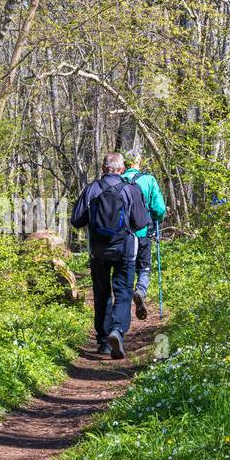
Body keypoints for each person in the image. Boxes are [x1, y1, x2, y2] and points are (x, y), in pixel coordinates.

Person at [71, 151, 150, 359]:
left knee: (102, 293)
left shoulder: (92, 189)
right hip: (125, 250)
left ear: (103, 169)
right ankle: (117, 330)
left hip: (98, 251)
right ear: (122, 169)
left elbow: (76, 220)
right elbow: (141, 222)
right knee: (123, 292)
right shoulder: (130, 190)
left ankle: (104, 341)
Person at [122, 153, 166, 319]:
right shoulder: (149, 180)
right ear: (139, 162)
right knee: (144, 265)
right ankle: (140, 290)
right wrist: (156, 219)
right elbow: (159, 209)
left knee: (126, 266)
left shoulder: (119, 180)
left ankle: (123, 303)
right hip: (143, 231)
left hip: (123, 234)